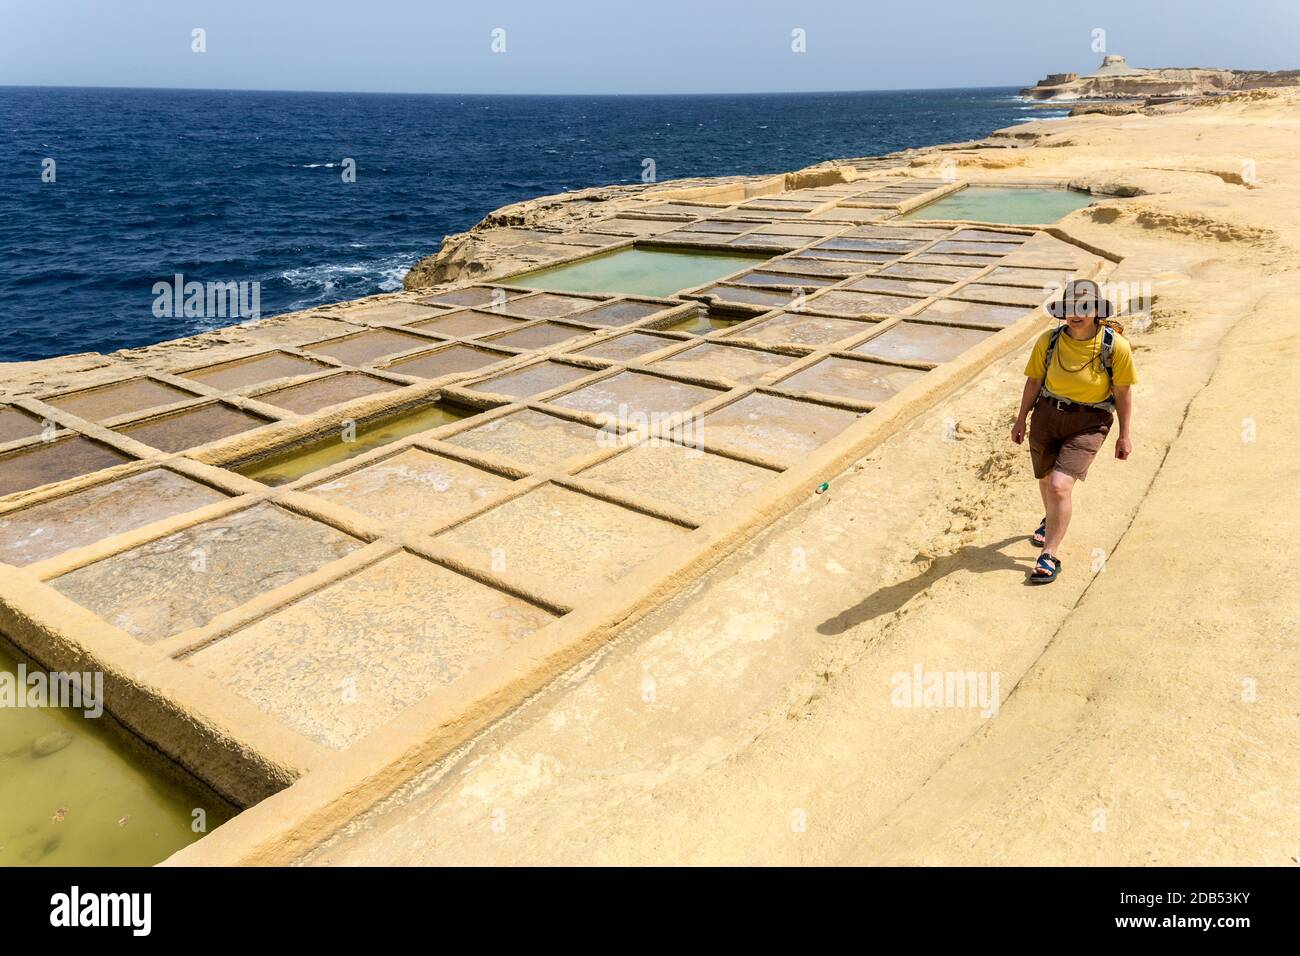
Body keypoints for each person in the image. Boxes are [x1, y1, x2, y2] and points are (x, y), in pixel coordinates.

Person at [1011, 279, 1136, 584]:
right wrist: (1021, 419)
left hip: (1090, 422)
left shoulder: (1115, 346)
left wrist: (1124, 434)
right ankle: (1050, 519)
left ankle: (1049, 555)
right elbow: (1034, 382)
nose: (1076, 313)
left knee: (1058, 486)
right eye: (1070, 307)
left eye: (1084, 306)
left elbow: (1122, 392)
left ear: (1097, 310)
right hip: (1046, 415)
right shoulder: (1048, 341)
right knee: (1044, 478)